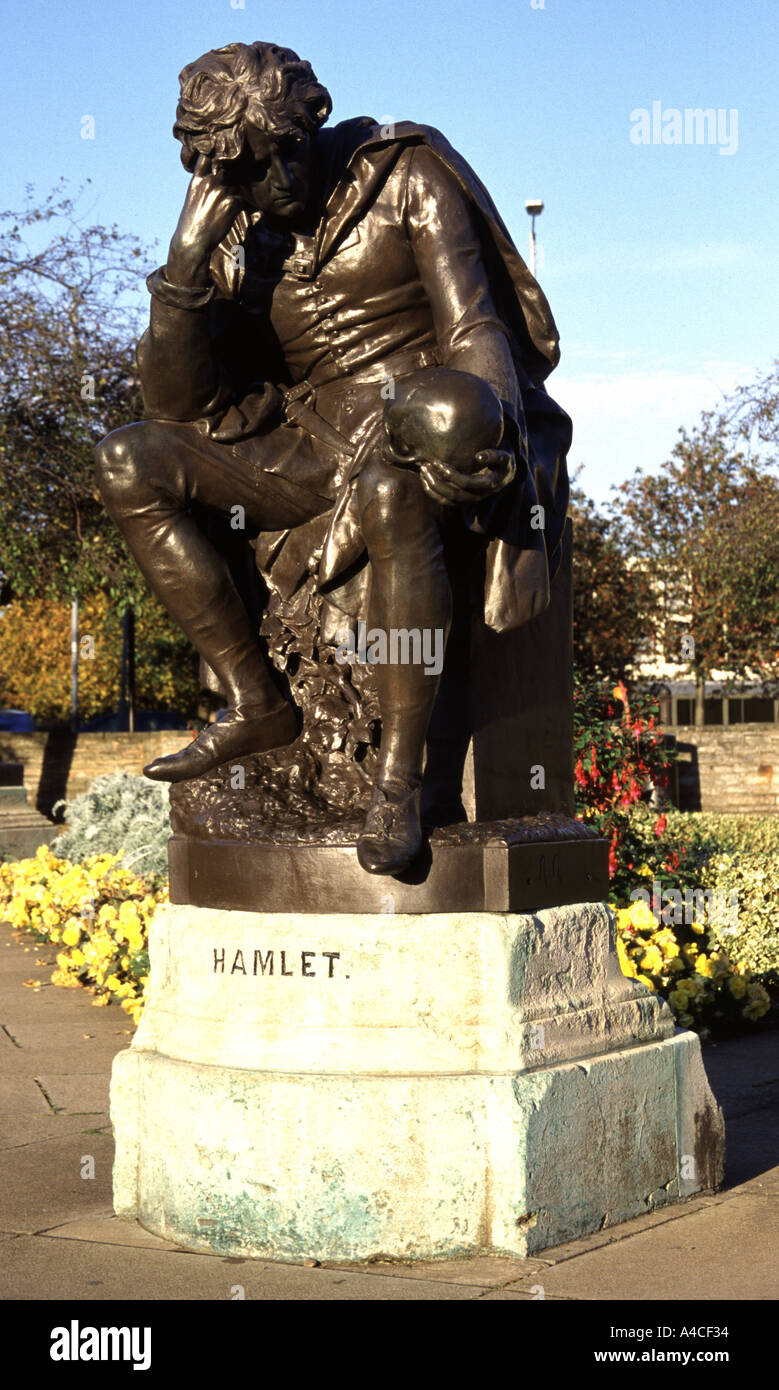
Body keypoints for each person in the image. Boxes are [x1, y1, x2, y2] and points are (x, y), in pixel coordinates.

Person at [95, 40, 571, 875]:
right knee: (128, 460)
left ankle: (399, 782)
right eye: (247, 171)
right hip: (304, 448)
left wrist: (492, 436)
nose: (275, 183)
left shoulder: (406, 173)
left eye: (283, 155)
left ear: (309, 119)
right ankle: (256, 703)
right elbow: (179, 409)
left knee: (398, 482)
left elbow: (473, 327)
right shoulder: (238, 231)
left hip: (416, 422)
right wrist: (182, 271)